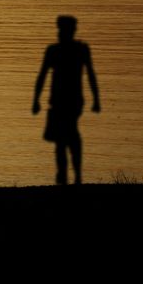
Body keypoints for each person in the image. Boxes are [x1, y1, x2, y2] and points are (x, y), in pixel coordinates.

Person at [33, 15, 100, 185]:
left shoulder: (79, 50)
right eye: (60, 29)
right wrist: (36, 99)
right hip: (59, 101)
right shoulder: (54, 50)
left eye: (63, 29)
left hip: (73, 101)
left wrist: (96, 99)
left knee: (67, 135)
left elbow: (91, 74)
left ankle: (72, 174)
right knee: (63, 139)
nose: (61, 33)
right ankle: (65, 174)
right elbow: (42, 75)